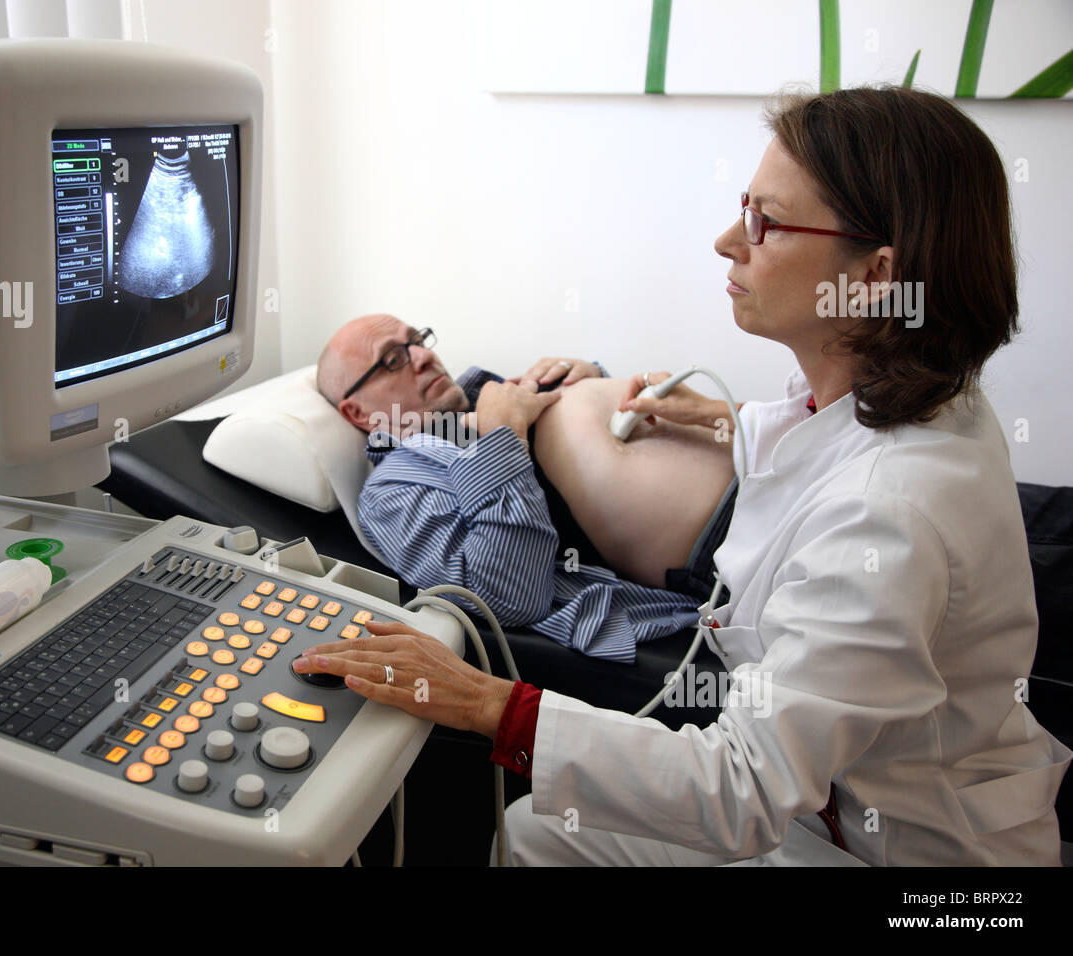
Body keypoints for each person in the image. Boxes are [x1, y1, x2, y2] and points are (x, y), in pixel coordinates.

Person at [294, 86, 1072, 865]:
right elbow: (515, 588)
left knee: (532, 839)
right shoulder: (910, 396)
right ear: (359, 416)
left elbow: (744, 788)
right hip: (838, 781)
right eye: (389, 362)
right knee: (533, 831)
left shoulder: (887, 514)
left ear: (873, 277)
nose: (728, 240)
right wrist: (720, 424)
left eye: (765, 221)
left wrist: (481, 701)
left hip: (919, 867)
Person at [315, 314, 739, 660]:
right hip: (729, 542)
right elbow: (506, 596)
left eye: (418, 340)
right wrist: (505, 432)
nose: (424, 357)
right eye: (392, 359)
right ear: (359, 412)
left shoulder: (490, 390)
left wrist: (589, 383)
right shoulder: (391, 491)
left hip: (758, 458)